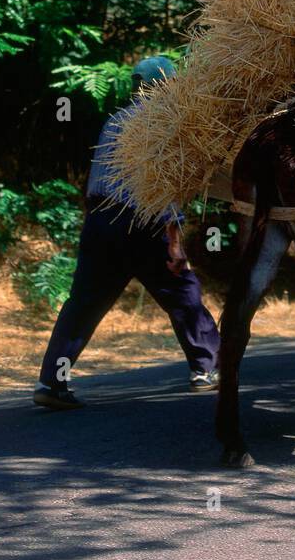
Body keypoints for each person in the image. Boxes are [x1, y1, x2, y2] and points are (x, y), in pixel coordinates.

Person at [33, 56, 220, 409]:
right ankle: (204, 370)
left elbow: (95, 183)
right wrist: (175, 244)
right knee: (183, 291)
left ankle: (52, 384)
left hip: (100, 223)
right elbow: (163, 189)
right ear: (166, 85)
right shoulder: (164, 126)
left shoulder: (114, 121)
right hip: (141, 224)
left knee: (83, 303)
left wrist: (96, 227)